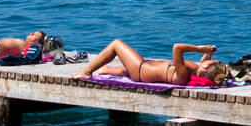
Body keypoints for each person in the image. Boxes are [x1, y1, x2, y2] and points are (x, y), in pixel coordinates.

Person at [74, 39, 228, 85]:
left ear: (206, 66)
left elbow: (177, 48)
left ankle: (86, 72)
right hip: (143, 70)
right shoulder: (195, 70)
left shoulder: (184, 73)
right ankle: (105, 70)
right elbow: (203, 63)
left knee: (116, 45)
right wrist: (208, 54)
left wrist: (199, 49)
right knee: (119, 71)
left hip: (140, 70)